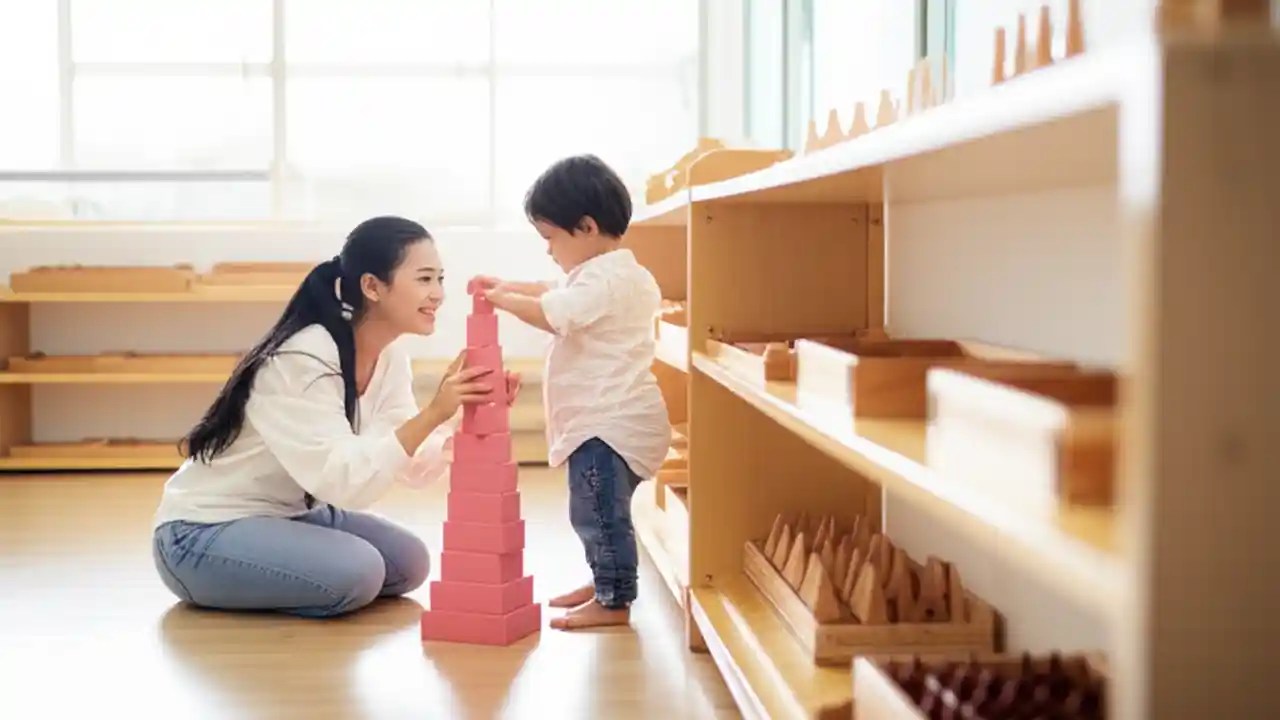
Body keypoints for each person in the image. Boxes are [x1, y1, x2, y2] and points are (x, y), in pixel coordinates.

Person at [151, 216, 519, 618]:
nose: (438, 295)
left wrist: (466, 415)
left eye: (440, 279)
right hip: (201, 532)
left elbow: (407, 461)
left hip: (293, 511)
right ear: (372, 286)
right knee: (360, 571)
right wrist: (433, 413)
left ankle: (295, 565)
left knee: (410, 562)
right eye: (425, 279)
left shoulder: (389, 356)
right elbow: (344, 482)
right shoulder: (303, 358)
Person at [475, 154, 671, 630]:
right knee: (595, 512)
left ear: (585, 227)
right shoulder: (604, 274)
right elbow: (551, 288)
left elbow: (553, 311)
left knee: (599, 514)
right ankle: (605, 582)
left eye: (550, 238)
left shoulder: (610, 279)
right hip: (604, 422)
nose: (548, 251)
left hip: (610, 424)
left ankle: (614, 600)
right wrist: (509, 285)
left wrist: (503, 301)